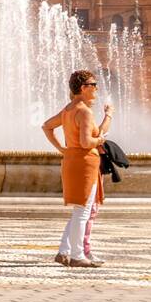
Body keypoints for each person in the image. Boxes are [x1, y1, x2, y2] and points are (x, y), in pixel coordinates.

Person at [42, 69, 112, 268]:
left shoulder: (68, 109)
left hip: (71, 159)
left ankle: (64, 251)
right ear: (83, 88)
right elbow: (86, 141)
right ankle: (78, 255)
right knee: (83, 211)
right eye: (94, 85)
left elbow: (46, 126)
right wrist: (100, 140)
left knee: (79, 211)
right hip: (85, 162)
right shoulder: (84, 111)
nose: (97, 88)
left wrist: (62, 148)